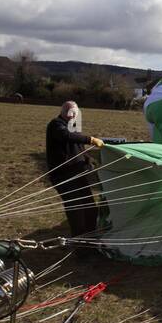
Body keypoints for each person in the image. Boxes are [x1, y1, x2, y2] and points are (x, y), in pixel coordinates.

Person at [45, 100, 104, 237]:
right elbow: (66, 136)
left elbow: (78, 147)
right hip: (64, 176)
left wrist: (88, 160)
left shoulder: (73, 126)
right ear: (63, 112)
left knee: (90, 208)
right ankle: (79, 245)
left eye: (74, 113)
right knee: (76, 211)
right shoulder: (56, 125)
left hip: (78, 174)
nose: (72, 116)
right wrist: (90, 139)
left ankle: (91, 238)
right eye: (69, 112)